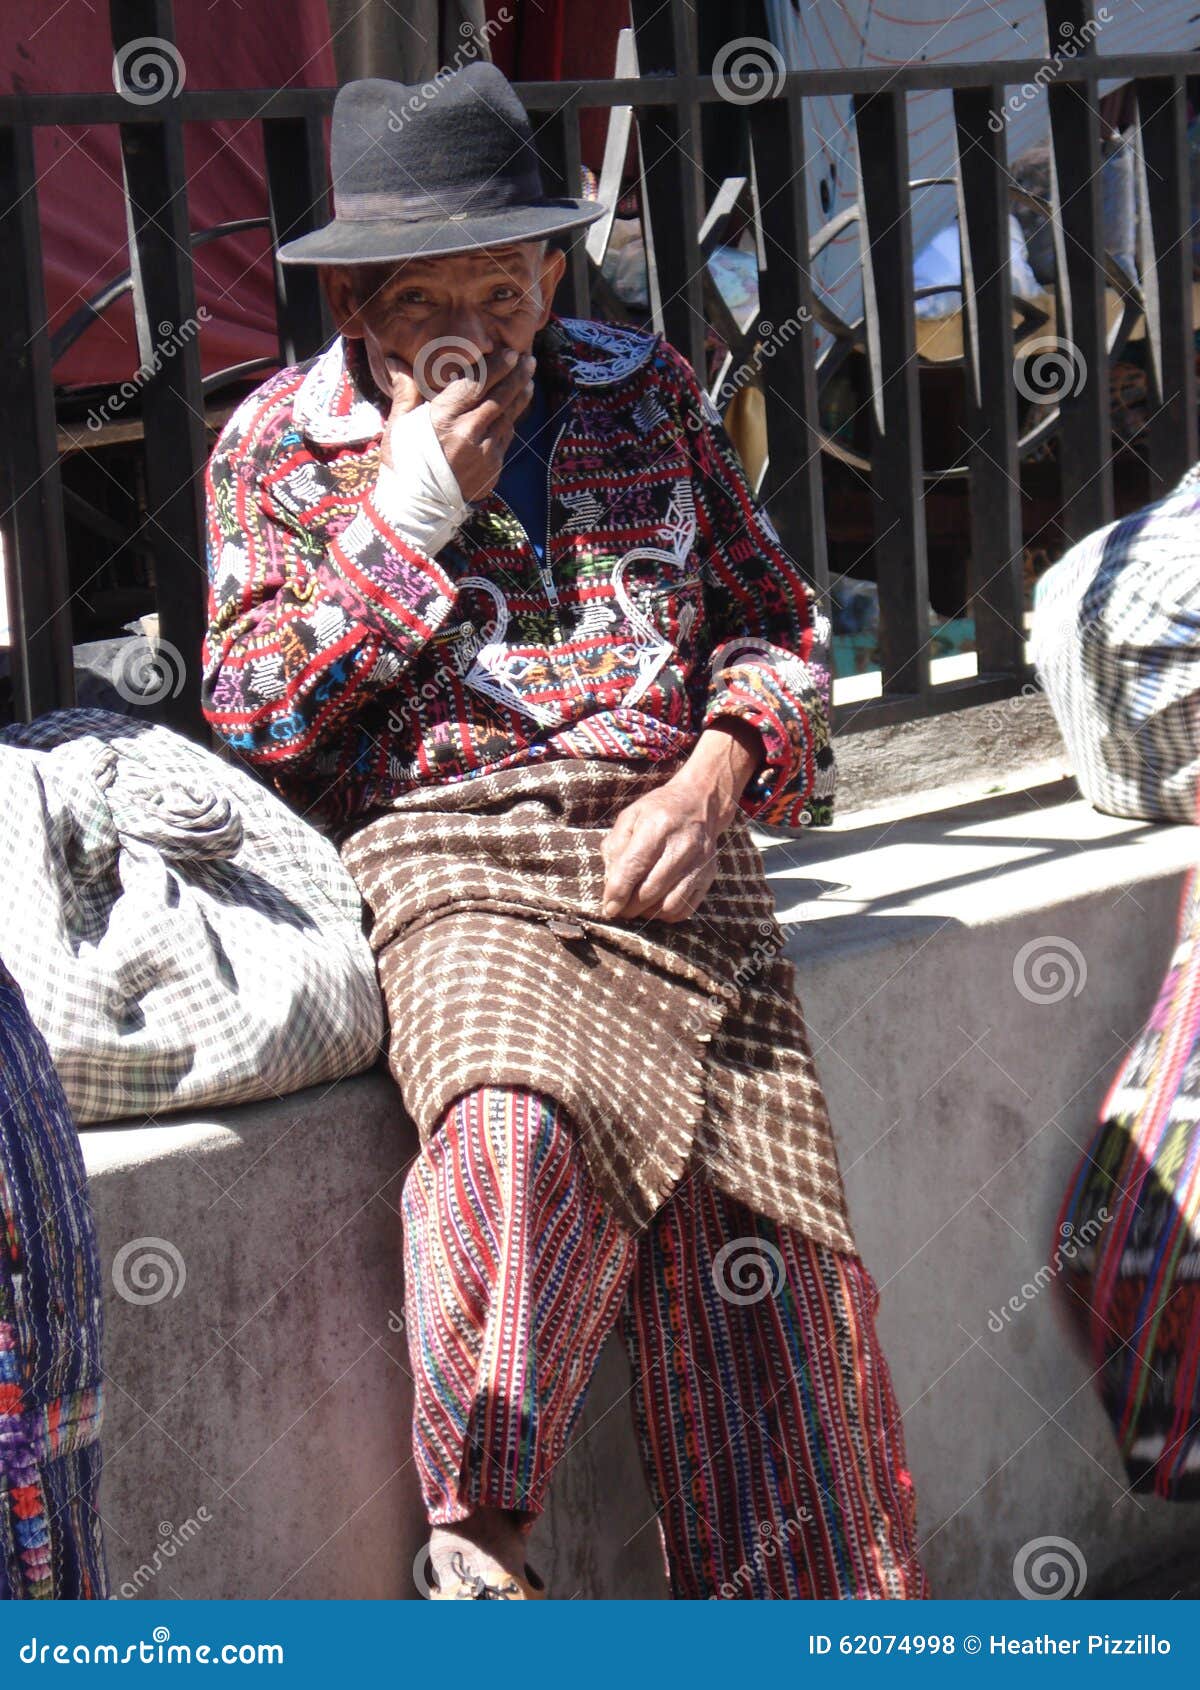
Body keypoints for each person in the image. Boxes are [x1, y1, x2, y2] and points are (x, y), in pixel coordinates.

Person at [201, 63, 928, 1601]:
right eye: (423, 302)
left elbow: (780, 636)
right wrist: (405, 521)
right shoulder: (276, 445)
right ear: (356, 309)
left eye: (506, 286)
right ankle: (484, 1538)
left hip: (669, 848)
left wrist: (716, 772)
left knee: (765, 1249)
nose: (478, 327)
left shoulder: (645, 387)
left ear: (548, 271)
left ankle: (804, 1622)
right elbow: (258, 717)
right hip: (447, 857)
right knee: (509, 1128)